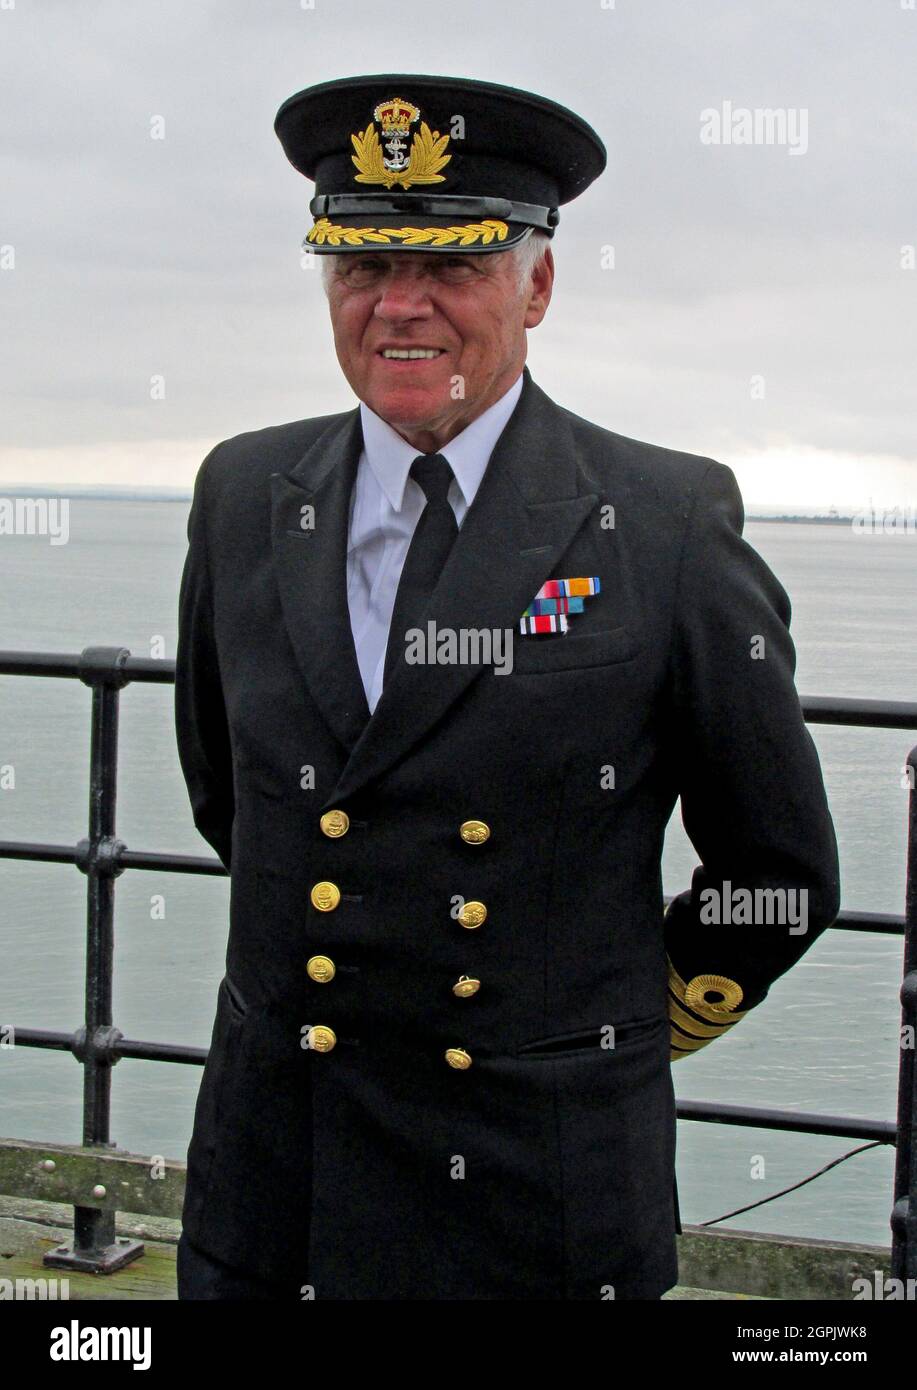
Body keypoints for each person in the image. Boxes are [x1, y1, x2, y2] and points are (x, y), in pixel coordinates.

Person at [173, 73, 840, 1300]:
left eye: (452, 266)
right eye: (361, 266)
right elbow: (233, 799)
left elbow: (779, 873)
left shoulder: (660, 521)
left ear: (536, 284)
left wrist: (600, 1031)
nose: (399, 306)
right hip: (279, 1178)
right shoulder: (241, 495)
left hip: (537, 1186)